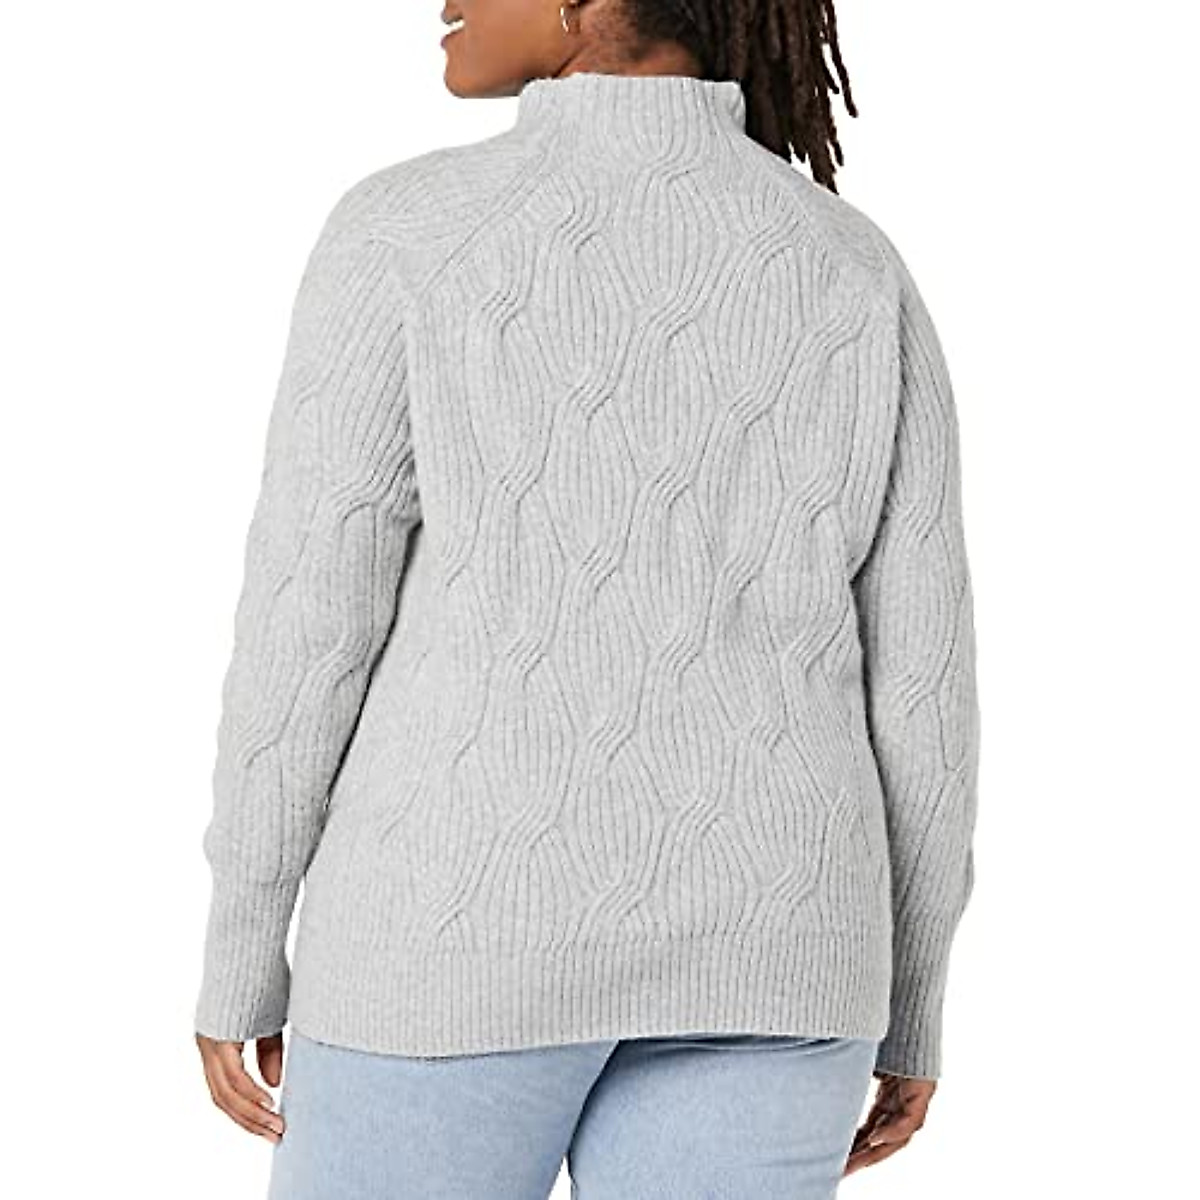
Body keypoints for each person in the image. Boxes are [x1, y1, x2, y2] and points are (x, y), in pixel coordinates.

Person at [193, 1, 981, 1196]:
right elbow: (925, 687)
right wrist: (910, 1000)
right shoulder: (850, 263)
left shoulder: (406, 232)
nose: (447, 0)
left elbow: (307, 629)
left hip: (447, 944)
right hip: (779, 960)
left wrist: (243, 948)